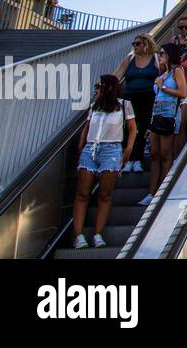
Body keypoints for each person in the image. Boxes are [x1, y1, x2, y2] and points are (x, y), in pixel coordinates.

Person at [71, 74, 136, 248]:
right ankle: (78, 236)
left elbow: (132, 129)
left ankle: (98, 234)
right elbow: (87, 128)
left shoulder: (124, 105)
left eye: (99, 86)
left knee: (105, 194)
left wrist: (128, 148)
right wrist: (80, 148)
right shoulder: (94, 107)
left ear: (109, 87)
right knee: (82, 192)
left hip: (112, 150)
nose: (96, 89)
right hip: (90, 149)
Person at [143, 43, 186, 205]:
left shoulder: (177, 71)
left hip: (169, 114)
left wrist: (164, 87)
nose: (159, 57)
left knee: (165, 154)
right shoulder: (163, 73)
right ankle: (151, 192)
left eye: (162, 53)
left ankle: (162, 191)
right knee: (154, 154)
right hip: (157, 113)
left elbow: (183, 93)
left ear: (169, 54)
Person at [114, 34, 159, 172]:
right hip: (130, 97)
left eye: (138, 44)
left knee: (143, 127)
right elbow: (117, 75)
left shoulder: (155, 58)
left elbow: (163, 73)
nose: (135, 46)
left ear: (146, 44)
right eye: (133, 44)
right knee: (129, 128)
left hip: (148, 96)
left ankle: (137, 159)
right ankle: (127, 160)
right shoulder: (130, 58)